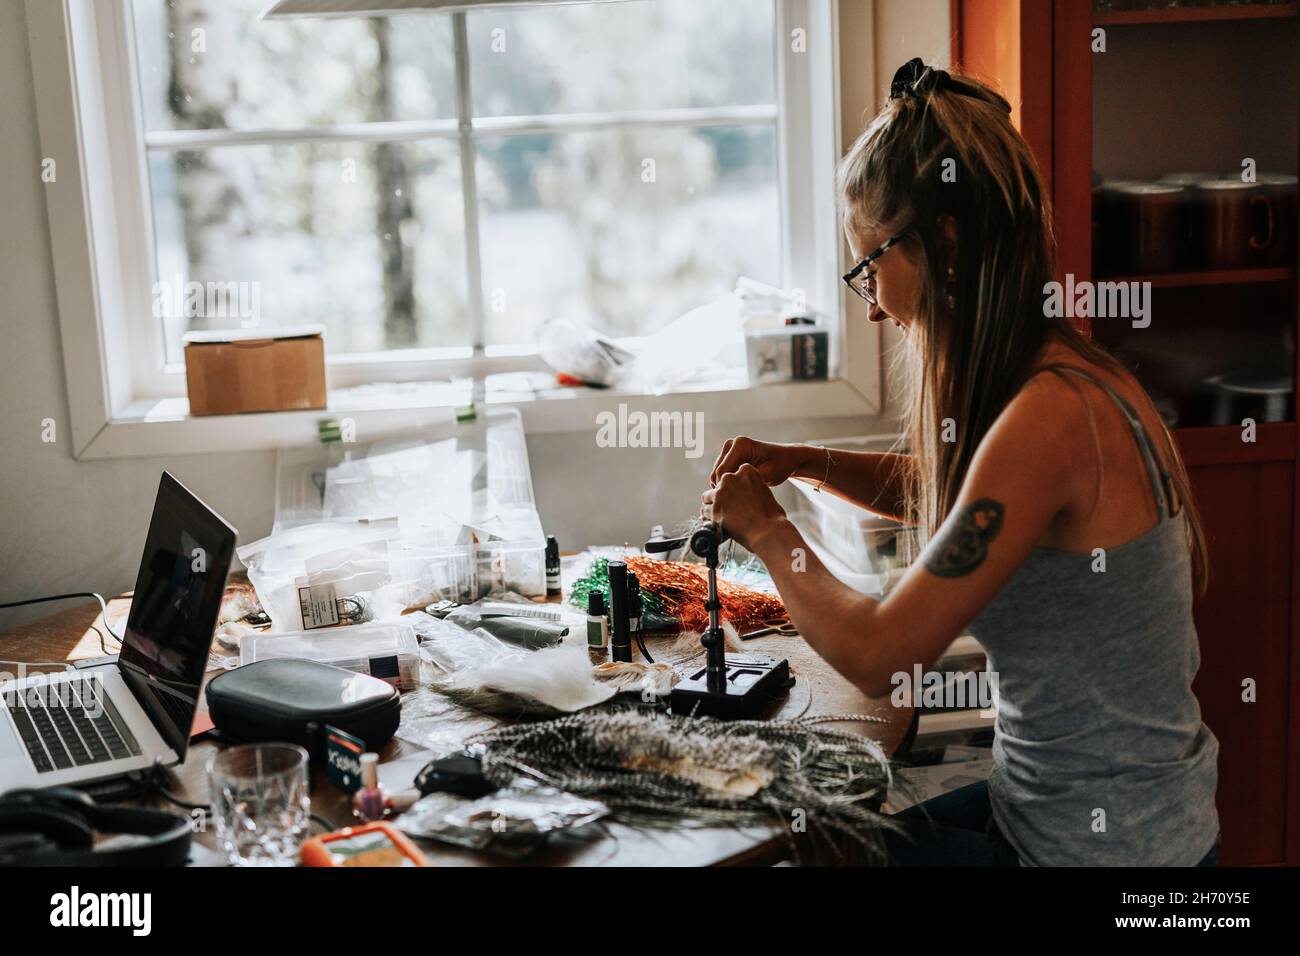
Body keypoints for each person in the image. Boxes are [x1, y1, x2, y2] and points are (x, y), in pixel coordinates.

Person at [703, 59, 1219, 866]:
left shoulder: (1050, 420)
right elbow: (966, 502)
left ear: (942, 242)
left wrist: (768, 533)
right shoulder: (1063, 372)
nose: (870, 302)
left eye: (870, 264)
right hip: (1063, 812)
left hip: (1109, 856)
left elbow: (878, 658)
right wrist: (806, 462)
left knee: (801, 854)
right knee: (827, 839)